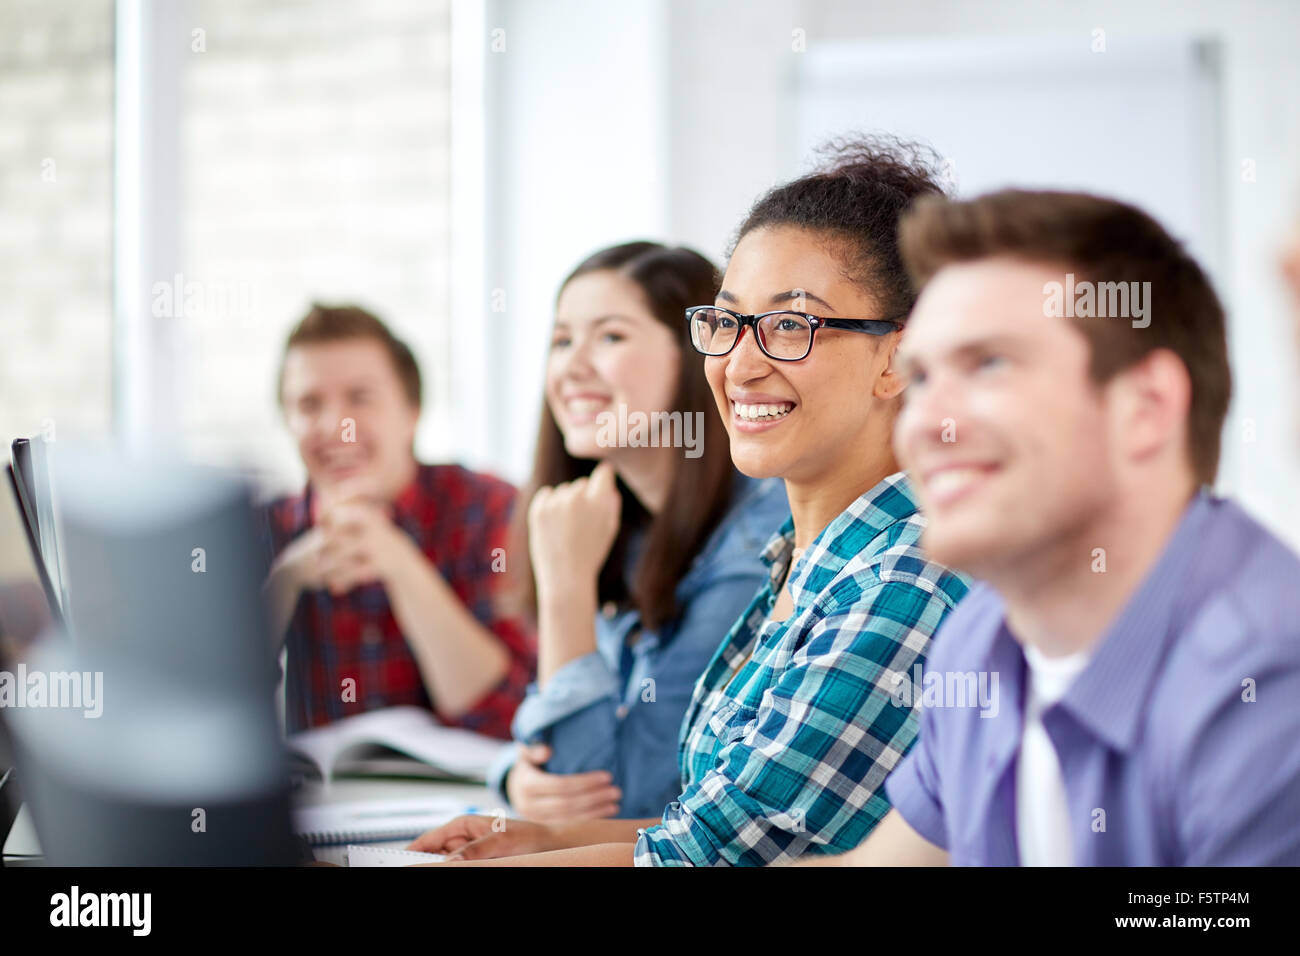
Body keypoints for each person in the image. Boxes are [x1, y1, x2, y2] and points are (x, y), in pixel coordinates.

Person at [409, 137, 969, 865]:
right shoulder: (802, 563)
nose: (739, 363)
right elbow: (711, 825)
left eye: (790, 326)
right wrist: (541, 835)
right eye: (728, 322)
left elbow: (712, 861)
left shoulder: (904, 575)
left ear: (898, 356)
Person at [826, 188, 1300, 866]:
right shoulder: (980, 637)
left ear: (1146, 408)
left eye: (989, 364)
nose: (928, 423)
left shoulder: (1267, 682)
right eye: (921, 378)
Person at [486, 241, 789, 822]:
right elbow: (552, 753)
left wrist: (566, 590)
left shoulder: (755, 544)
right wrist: (514, 778)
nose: (572, 368)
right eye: (561, 340)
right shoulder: (614, 523)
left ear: (696, 352)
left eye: (610, 337)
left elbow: (615, 798)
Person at [264, 304, 533, 737]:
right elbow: (202, 717)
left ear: (411, 413)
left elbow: (509, 715)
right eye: (309, 404)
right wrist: (286, 581)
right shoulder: (266, 529)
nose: (337, 426)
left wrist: (398, 561)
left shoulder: (488, 508)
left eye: (360, 397)